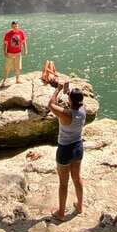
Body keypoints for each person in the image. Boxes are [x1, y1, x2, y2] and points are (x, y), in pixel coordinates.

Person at [49, 82, 85, 221]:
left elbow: (50, 104)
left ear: (70, 100)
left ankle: (61, 213)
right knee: (77, 178)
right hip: (78, 147)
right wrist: (68, 91)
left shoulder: (66, 114)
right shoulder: (83, 109)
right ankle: (80, 206)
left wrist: (58, 89)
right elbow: (75, 100)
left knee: (63, 183)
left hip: (65, 149)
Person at [1, 20, 28, 86]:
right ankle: (4, 81)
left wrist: (26, 50)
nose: (15, 27)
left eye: (16, 26)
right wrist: (5, 52)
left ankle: (17, 80)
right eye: (13, 26)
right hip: (10, 53)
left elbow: (24, 42)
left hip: (18, 53)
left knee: (18, 67)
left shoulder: (21, 32)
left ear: (18, 26)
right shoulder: (8, 34)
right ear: (11, 26)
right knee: (7, 68)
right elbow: (5, 44)